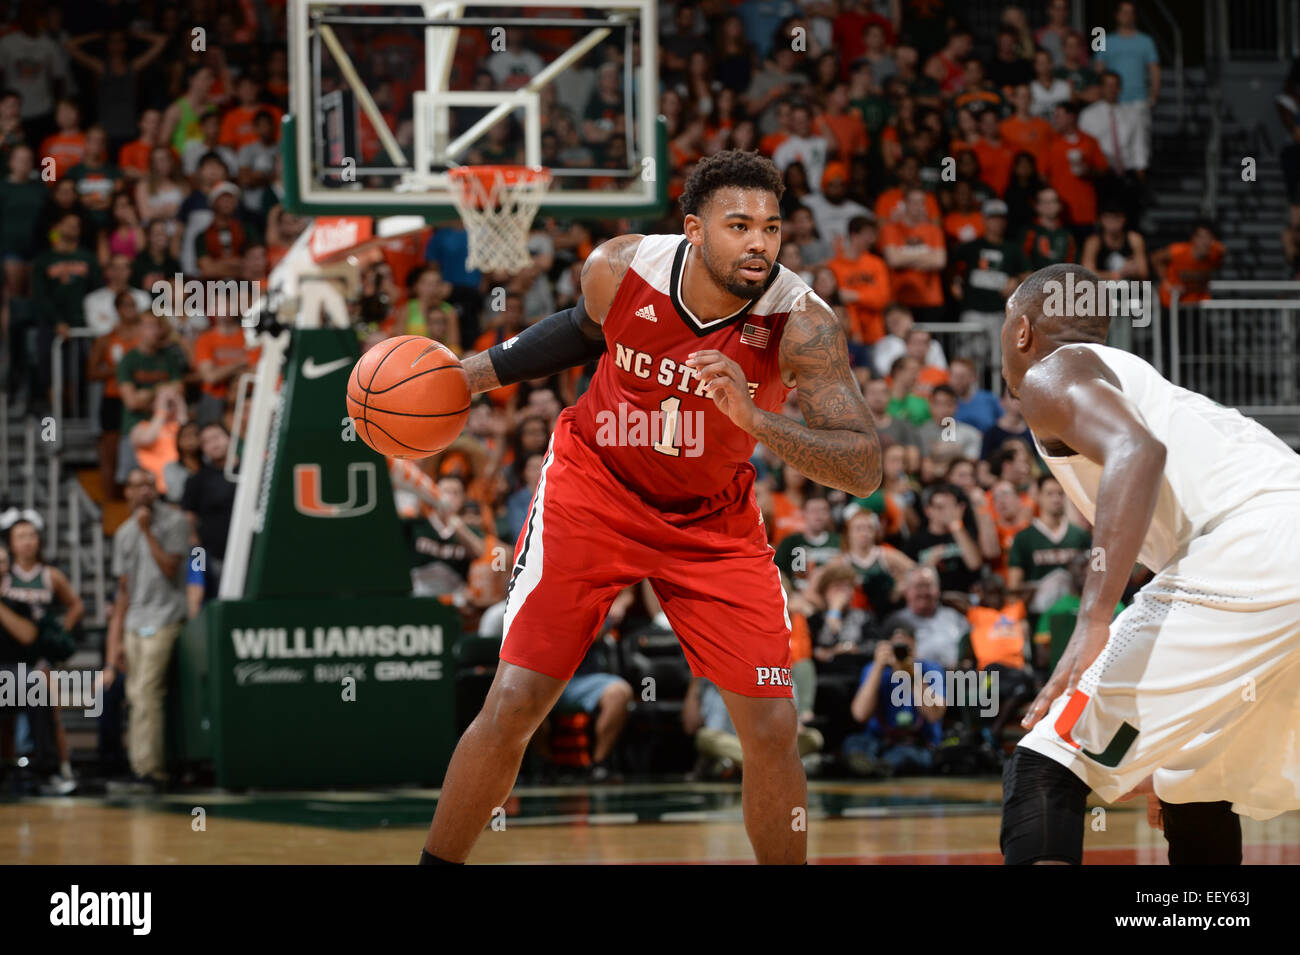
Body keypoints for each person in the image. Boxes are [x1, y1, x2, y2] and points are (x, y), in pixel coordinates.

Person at [420, 150, 880, 865]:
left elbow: (864, 466)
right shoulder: (621, 266)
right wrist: (469, 376)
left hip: (711, 522)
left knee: (771, 725)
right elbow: (580, 328)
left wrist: (757, 418)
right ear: (694, 229)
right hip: (592, 490)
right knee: (514, 699)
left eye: (770, 226)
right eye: (738, 225)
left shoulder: (802, 323)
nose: (759, 242)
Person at [999, 263, 1300, 866]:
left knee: (1048, 764)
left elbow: (1138, 452)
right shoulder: (1145, 385)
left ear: (1023, 331)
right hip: (1269, 550)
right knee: (1191, 779)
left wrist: (1094, 618)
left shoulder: (1049, 375)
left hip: (1256, 550)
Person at [105, 467, 189, 793]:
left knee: (147, 693)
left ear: (156, 490)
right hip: (134, 623)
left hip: (166, 617)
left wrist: (148, 533)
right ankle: (140, 767)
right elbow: (123, 592)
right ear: (127, 492)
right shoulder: (124, 533)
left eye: (149, 485)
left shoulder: (175, 522)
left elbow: (171, 569)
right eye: (136, 486)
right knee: (135, 695)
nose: (143, 491)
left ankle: (150, 771)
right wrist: (116, 647)